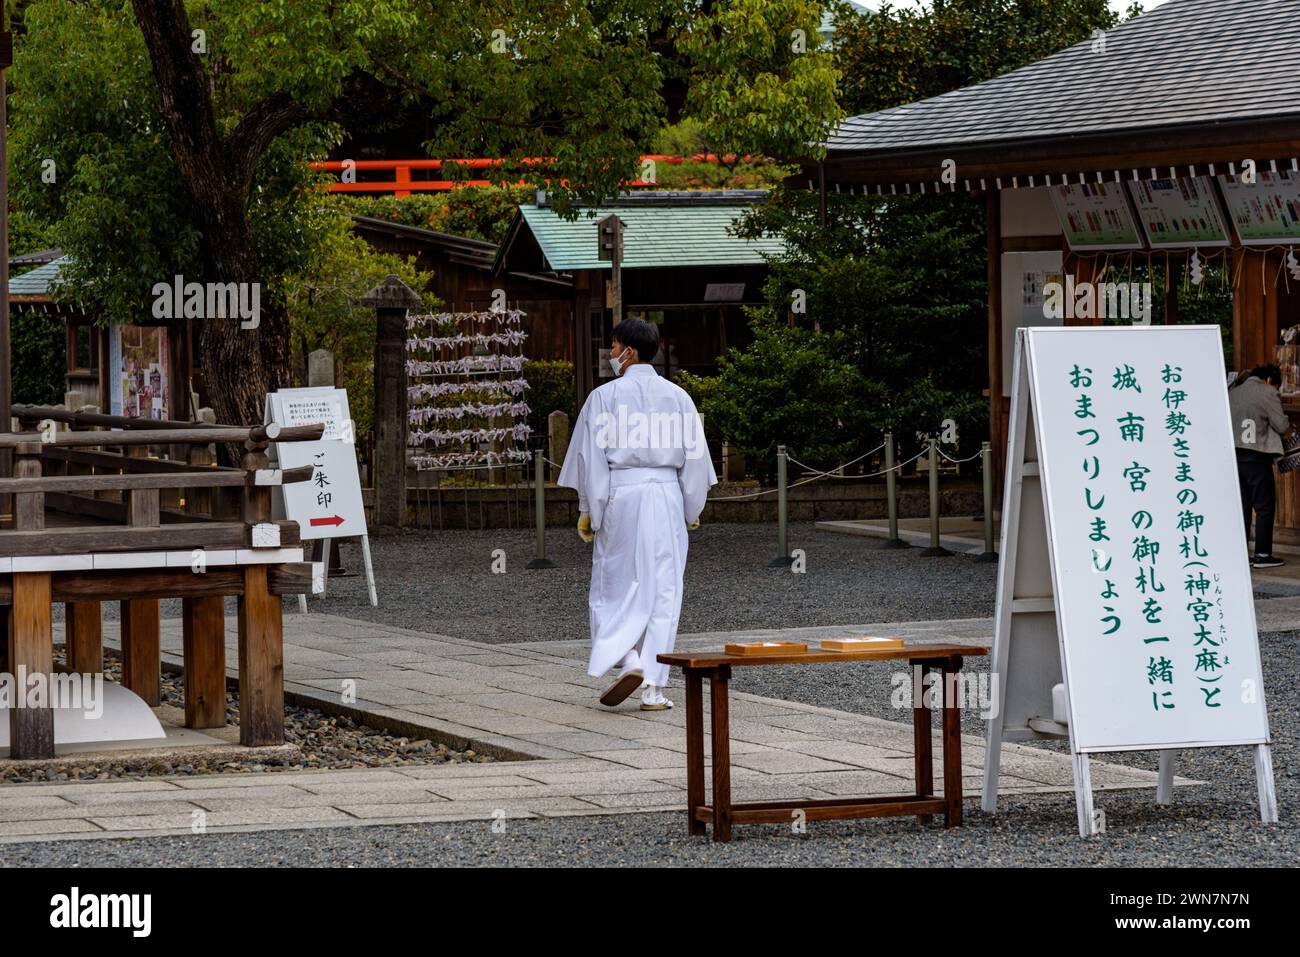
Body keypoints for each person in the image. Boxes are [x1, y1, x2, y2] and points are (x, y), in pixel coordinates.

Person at [558, 318, 717, 710]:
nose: (611, 354)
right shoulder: (679, 398)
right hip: (666, 495)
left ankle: (627, 658)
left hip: (621, 494)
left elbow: (591, 462)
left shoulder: (604, 398)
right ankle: (654, 688)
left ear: (628, 350)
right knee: (663, 590)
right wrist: (691, 507)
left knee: (613, 584)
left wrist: (589, 511)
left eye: (613, 346)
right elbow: (695, 463)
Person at [1228, 363, 1291, 568]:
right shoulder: (1267, 391)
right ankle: (1263, 555)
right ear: (1270, 380)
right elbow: (1281, 425)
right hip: (1257, 456)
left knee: (1243, 507)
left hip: (1234, 456)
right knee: (1264, 506)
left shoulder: (1233, 391)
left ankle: (1240, 554)